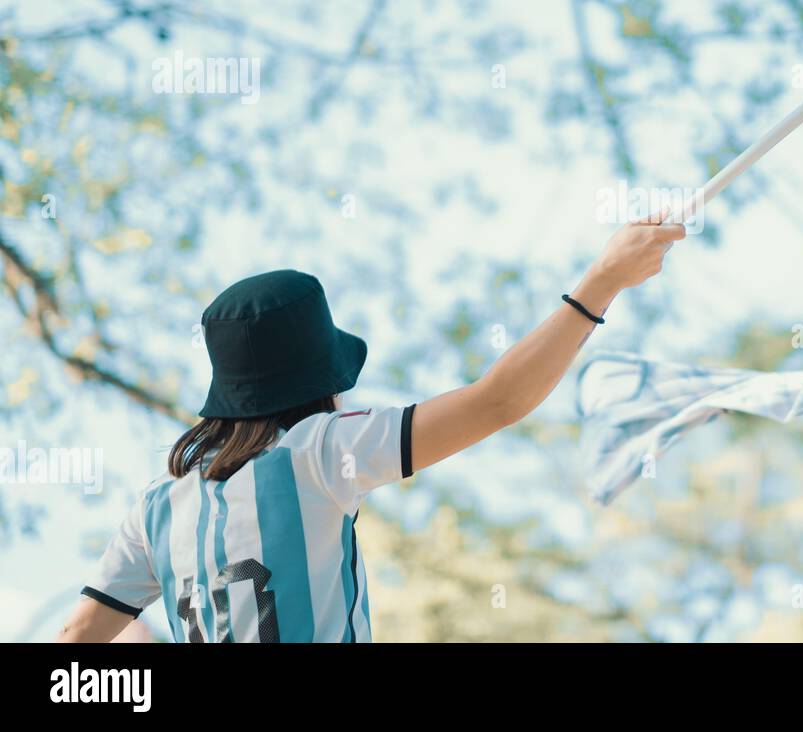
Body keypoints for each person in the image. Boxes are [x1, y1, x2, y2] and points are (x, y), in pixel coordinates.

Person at [57, 218, 684, 642]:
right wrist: (602, 281)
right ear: (319, 386)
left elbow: (76, 641)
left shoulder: (156, 509)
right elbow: (498, 401)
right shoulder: (322, 451)